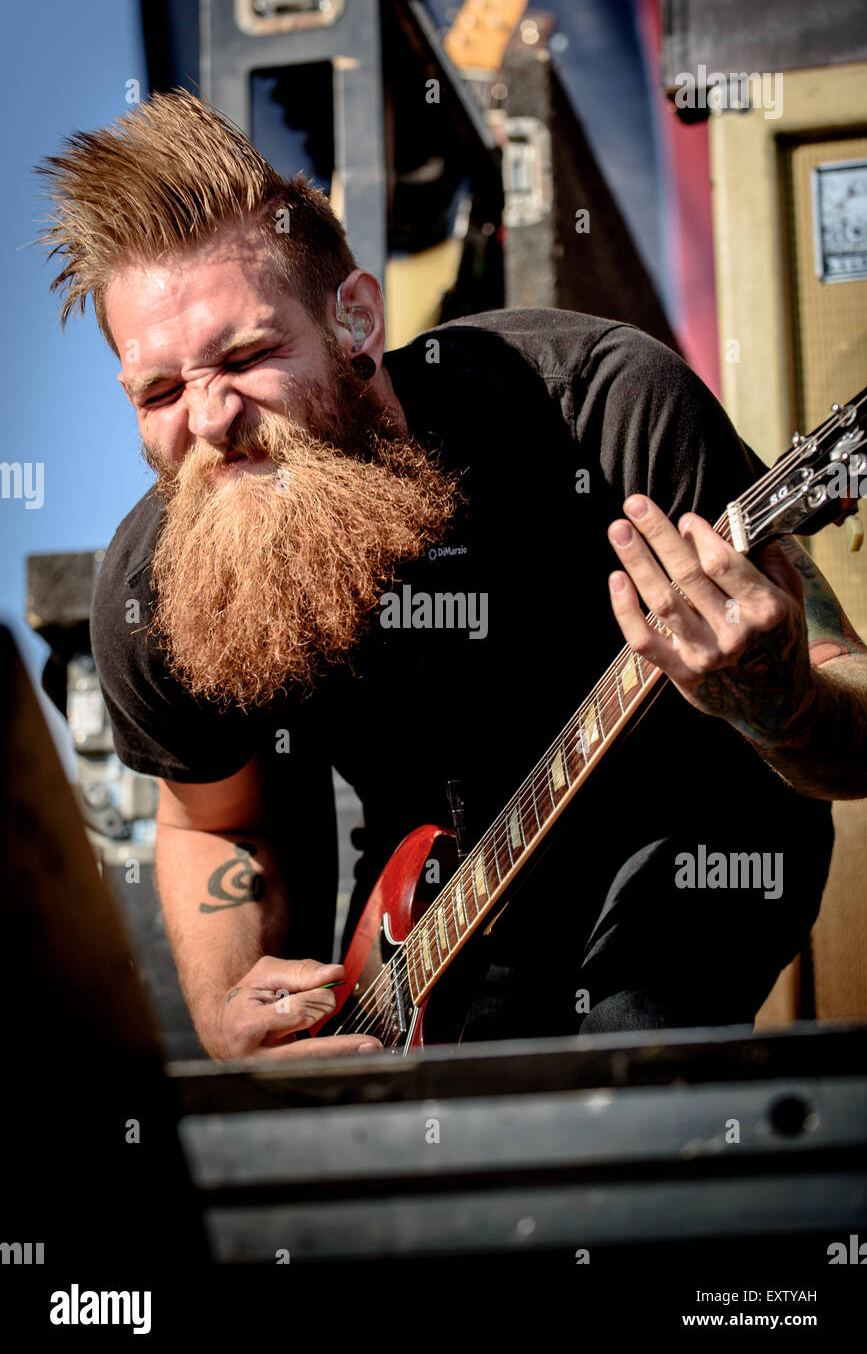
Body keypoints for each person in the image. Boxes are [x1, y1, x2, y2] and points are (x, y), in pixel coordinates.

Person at [37, 91, 867, 1061]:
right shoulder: (157, 584)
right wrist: (228, 1009)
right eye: (161, 391)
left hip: (690, 842)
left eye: (250, 355)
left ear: (353, 317)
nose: (209, 419)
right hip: (431, 937)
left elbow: (855, 725)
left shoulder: (601, 407)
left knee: (624, 1076)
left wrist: (783, 702)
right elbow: (210, 820)